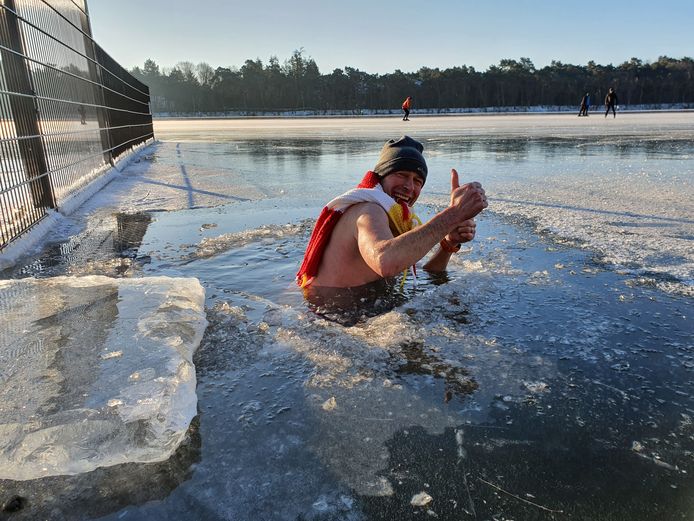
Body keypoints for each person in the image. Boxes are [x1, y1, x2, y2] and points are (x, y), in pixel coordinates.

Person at [297, 136, 487, 295]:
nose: (409, 186)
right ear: (382, 176)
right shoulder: (368, 210)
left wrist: (449, 243)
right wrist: (453, 215)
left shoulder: (396, 217)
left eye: (417, 180)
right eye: (401, 175)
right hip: (329, 314)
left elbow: (426, 273)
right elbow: (385, 261)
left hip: (359, 311)